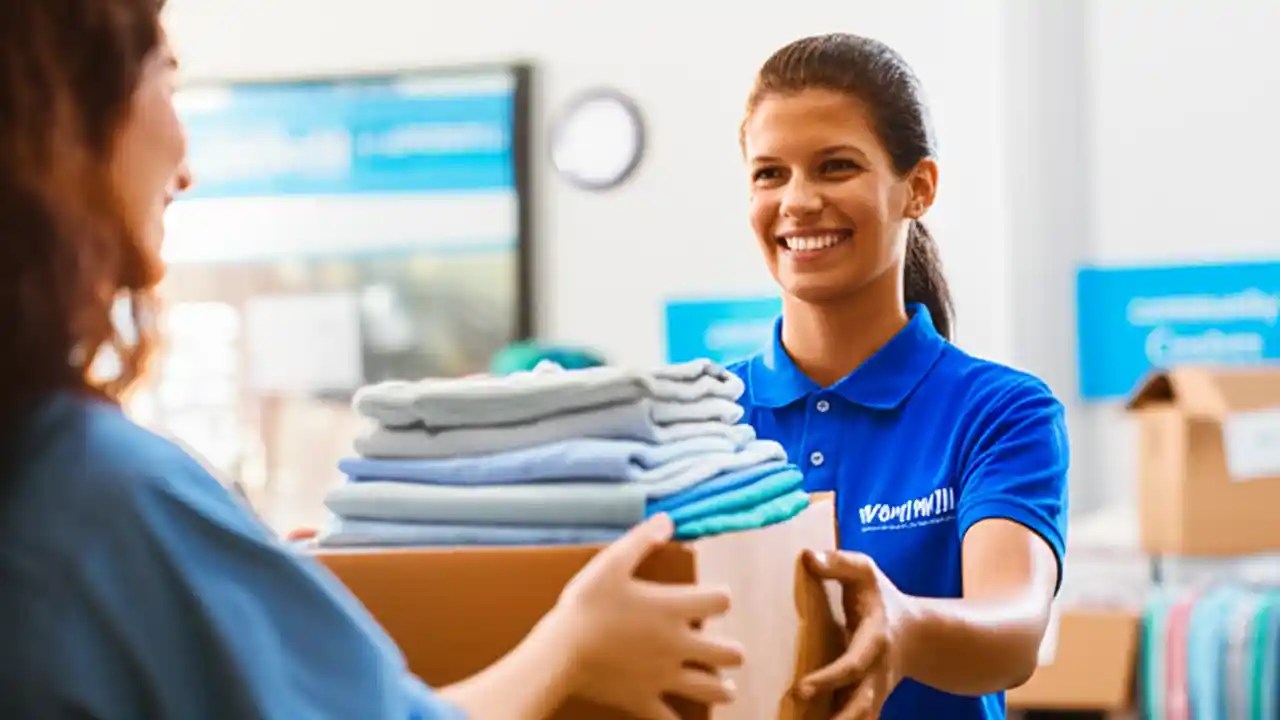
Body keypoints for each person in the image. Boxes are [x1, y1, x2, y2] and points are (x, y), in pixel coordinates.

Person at [0, 2, 744, 719]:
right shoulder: (102, 496)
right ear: (66, 119)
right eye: (167, 79)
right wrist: (573, 647)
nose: (187, 164)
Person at [732, 33, 1068, 719]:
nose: (797, 201)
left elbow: (1014, 627)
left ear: (918, 188)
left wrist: (905, 628)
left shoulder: (999, 413)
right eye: (770, 173)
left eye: (835, 167)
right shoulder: (700, 419)